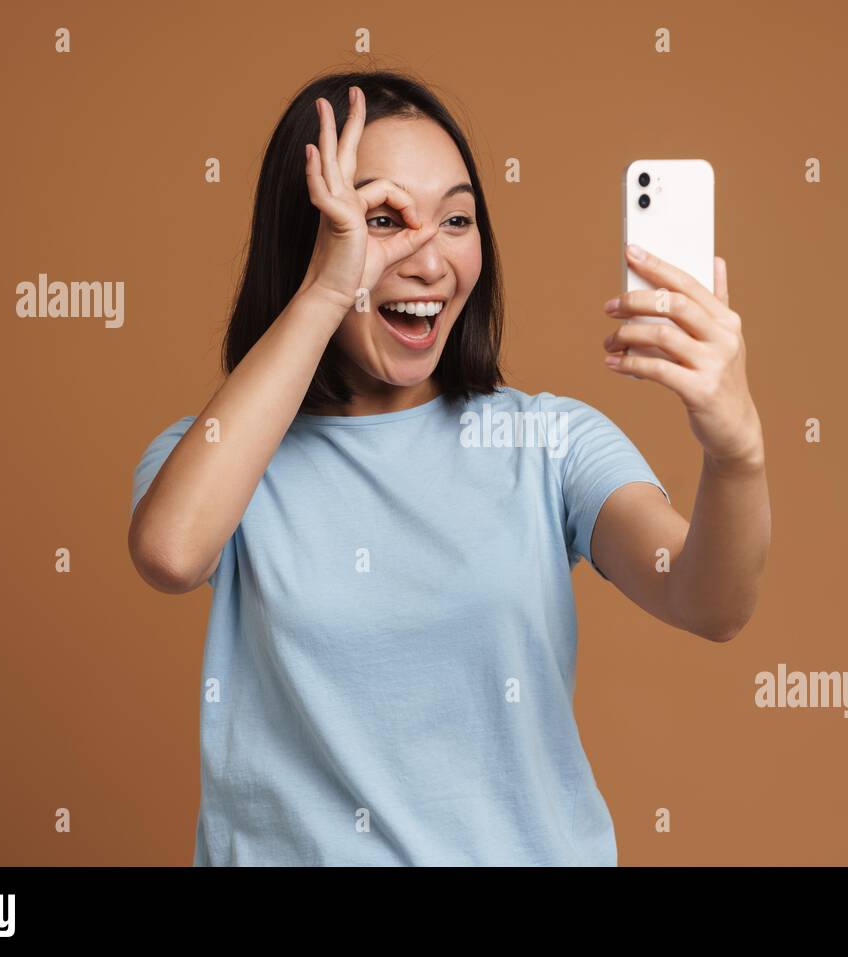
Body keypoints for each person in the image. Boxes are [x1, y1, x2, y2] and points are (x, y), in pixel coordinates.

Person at [127, 68, 771, 866]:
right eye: (384, 218)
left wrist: (735, 451)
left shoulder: (549, 442)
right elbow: (170, 551)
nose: (432, 262)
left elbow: (707, 599)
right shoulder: (219, 452)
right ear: (312, 232)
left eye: (457, 218)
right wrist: (332, 287)